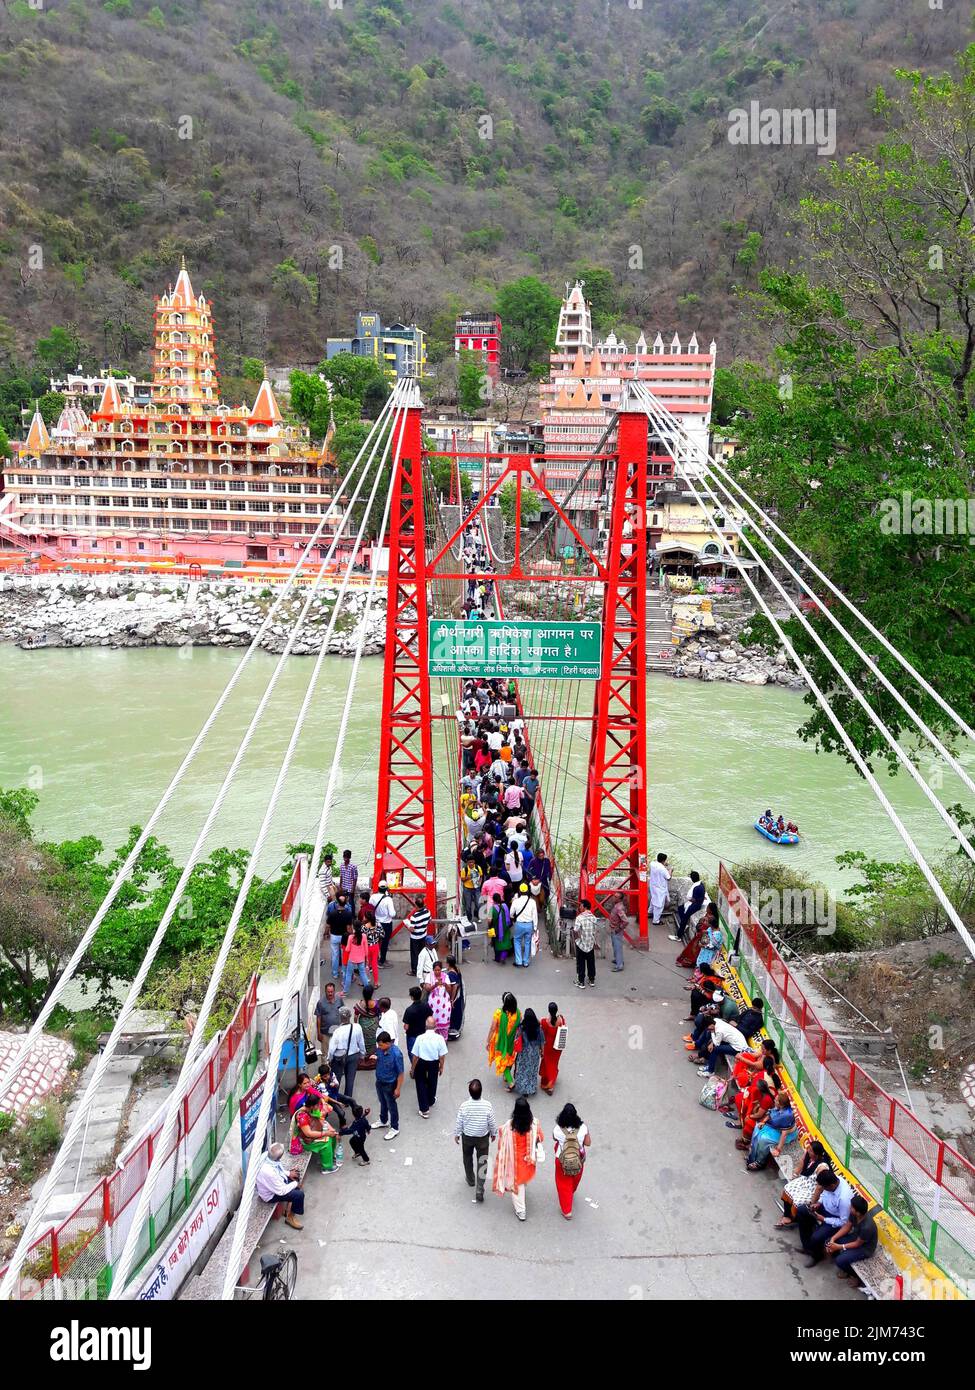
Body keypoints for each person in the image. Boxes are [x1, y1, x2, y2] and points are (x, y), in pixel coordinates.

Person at [492, 1096, 543, 1222]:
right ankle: (521, 1202)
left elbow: (501, 1134)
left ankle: (521, 1211)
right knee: (522, 1181)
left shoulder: (510, 1126)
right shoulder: (534, 1123)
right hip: (529, 1160)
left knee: (517, 1186)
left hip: (514, 1163)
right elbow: (540, 1137)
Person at [795, 1168, 854, 1264]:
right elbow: (824, 1193)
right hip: (825, 1208)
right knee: (802, 1210)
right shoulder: (832, 1181)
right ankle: (807, 1247)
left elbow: (843, 1222)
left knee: (816, 1237)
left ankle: (817, 1256)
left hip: (834, 1219)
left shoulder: (844, 1199)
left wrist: (824, 1219)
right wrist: (818, 1203)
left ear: (832, 1185)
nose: (822, 1188)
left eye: (824, 1187)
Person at [454, 1078, 497, 1203]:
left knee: (467, 1157)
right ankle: (479, 1188)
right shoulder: (487, 1105)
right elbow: (492, 1122)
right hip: (482, 1138)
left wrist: (457, 1134)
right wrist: (494, 1133)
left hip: (467, 1137)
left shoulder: (464, 1106)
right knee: (482, 1161)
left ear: (469, 1093)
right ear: (481, 1092)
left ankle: (470, 1179)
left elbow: (459, 1121)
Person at [777, 1142, 832, 1229]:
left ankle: (794, 1218)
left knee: (798, 1200)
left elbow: (820, 1187)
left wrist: (813, 1202)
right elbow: (802, 1161)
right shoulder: (809, 1153)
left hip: (812, 1188)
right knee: (788, 1188)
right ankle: (787, 1214)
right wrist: (794, 1175)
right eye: (808, 1149)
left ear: (816, 1154)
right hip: (805, 1180)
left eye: (810, 1150)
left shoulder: (822, 1167)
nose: (808, 1151)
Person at [826, 1193, 879, 1279]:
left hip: (864, 1248)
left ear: (858, 1213)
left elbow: (858, 1244)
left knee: (840, 1260)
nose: (849, 1208)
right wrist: (833, 1238)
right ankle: (840, 1259)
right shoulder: (854, 1214)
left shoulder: (867, 1227)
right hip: (855, 1237)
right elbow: (847, 1226)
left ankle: (856, 1277)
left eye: (851, 1207)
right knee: (828, 1242)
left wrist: (839, 1247)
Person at [552, 1101, 591, 1220]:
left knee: (563, 1184)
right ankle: (572, 1191)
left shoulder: (558, 1129)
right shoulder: (583, 1128)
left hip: (562, 1160)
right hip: (578, 1159)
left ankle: (567, 1211)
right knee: (575, 1177)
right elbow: (588, 1143)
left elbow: (554, 1138)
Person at [255, 1142, 305, 1230]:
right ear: (279, 1157)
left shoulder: (267, 1156)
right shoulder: (269, 1172)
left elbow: (278, 1168)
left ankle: (288, 1207)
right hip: (270, 1195)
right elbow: (281, 1191)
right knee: (299, 1195)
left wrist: (289, 1174)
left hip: (276, 1182)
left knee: (296, 1176)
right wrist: (295, 1184)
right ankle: (290, 1218)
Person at [746, 1087, 796, 1171]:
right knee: (757, 1128)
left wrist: (778, 1150)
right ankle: (752, 1157)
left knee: (763, 1139)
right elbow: (770, 1113)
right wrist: (763, 1122)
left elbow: (784, 1133)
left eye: (776, 1100)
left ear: (781, 1104)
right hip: (774, 1127)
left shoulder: (786, 1115)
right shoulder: (779, 1107)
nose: (774, 1101)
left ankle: (760, 1162)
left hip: (784, 1134)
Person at [411, 1016, 448, 1117]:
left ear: (425, 1026)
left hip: (422, 1063)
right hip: (434, 1063)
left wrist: (413, 1068)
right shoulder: (439, 1038)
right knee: (433, 1081)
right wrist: (441, 1067)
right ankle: (431, 1100)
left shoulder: (420, 1038)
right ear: (435, 1026)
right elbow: (442, 1055)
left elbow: (415, 1056)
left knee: (421, 1084)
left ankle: (424, 1109)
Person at [291, 1098, 339, 1174]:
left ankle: (329, 1157)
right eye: (318, 1104)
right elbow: (308, 1134)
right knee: (326, 1141)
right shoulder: (302, 1116)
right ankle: (326, 1168)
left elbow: (321, 1120)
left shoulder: (311, 1110)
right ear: (313, 1106)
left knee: (333, 1136)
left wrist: (332, 1130)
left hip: (314, 1131)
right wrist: (326, 1133)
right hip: (305, 1140)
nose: (319, 1106)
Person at [372, 1030, 404, 1140]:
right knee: (382, 1102)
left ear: (388, 1043)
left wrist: (398, 1089)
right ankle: (383, 1120)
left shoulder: (396, 1054)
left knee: (391, 1105)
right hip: (380, 1081)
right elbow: (379, 1055)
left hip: (390, 1084)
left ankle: (395, 1127)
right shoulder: (380, 1050)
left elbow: (400, 1073)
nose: (379, 1047)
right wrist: (376, 1057)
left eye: (381, 1045)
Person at [327, 1006, 366, 1097]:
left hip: (340, 1057)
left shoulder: (337, 1031)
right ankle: (347, 1099)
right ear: (350, 1016)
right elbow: (361, 1043)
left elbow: (332, 1048)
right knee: (350, 1079)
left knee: (336, 1079)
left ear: (339, 1017)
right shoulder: (357, 1027)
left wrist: (329, 1059)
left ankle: (334, 1098)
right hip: (354, 1056)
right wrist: (362, 1055)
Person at [486, 992, 521, 1088]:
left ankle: (510, 1082)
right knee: (509, 1058)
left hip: (500, 1043)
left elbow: (493, 1028)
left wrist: (488, 1041)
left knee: (502, 1062)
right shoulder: (518, 1013)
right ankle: (506, 1076)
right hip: (512, 1042)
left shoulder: (498, 1013)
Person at [513, 1007, 544, 1096]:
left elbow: (517, 1038)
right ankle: (531, 1088)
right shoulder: (538, 1028)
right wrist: (542, 1052)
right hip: (534, 1053)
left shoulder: (522, 1028)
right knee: (532, 1071)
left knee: (523, 1070)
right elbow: (542, 1042)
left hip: (524, 1053)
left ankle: (524, 1089)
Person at [325, 892, 353, 981]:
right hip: (344, 937)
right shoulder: (348, 913)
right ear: (345, 902)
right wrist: (352, 936)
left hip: (334, 936)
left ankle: (335, 973)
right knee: (345, 955)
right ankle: (344, 973)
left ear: (337, 901)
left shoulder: (332, 913)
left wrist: (326, 933)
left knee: (335, 955)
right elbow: (349, 928)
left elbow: (328, 926)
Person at [539, 1001, 566, 1095]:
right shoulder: (561, 1019)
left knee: (546, 1063)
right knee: (554, 1063)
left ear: (549, 1011)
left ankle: (548, 1083)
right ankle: (550, 1082)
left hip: (548, 1046)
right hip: (558, 1046)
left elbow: (541, 1034)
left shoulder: (544, 1021)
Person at [672, 871, 707, 941]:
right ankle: (683, 924)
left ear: (692, 879)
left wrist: (690, 900)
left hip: (694, 905)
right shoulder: (701, 884)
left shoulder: (696, 887)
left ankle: (678, 936)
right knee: (680, 908)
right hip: (696, 904)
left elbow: (695, 899)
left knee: (684, 919)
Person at [370, 880, 397, 969]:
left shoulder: (373, 897)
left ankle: (375, 959)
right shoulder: (388, 899)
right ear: (386, 888)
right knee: (384, 943)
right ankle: (382, 961)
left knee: (375, 941)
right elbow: (392, 914)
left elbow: (370, 908)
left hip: (376, 922)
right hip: (386, 924)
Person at [573, 898, 598, 989]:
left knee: (581, 963)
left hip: (581, 944)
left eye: (581, 905)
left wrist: (576, 940)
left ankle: (581, 981)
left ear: (585, 907)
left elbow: (576, 930)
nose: (579, 907)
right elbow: (595, 931)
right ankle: (591, 980)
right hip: (590, 943)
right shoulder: (594, 918)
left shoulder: (579, 918)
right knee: (591, 962)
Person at [510, 882, 537, 967]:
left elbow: (511, 913)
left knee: (517, 941)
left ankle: (518, 961)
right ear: (528, 891)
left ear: (519, 891)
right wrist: (535, 927)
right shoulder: (532, 902)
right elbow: (535, 915)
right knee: (527, 942)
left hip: (519, 924)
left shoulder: (516, 901)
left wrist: (513, 918)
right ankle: (526, 962)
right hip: (529, 925)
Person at [402, 984, 433, 1059]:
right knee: (424, 1052)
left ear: (412, 997)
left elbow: (406, 1027)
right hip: (424, 1033)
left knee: (412, 1053)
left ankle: (414, 1068)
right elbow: (430, 1018)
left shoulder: (409, 1010)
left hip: (412, 1035)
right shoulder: (426, 1006)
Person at [354, 984, 382, 1063]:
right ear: (372, 993)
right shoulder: (376, 1003)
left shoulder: (360, 1004)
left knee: (364, 1040)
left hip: (363, 1025)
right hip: (374, 1025)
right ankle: (372, 1056)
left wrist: (356, 1025)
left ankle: (364, 1055)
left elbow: (356, 1016)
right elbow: (379, 1014)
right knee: (373, 1040)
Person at [340, 1102, 373, 1166]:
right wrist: (368, 1129)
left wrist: (340, 1133)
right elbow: (367, 1125)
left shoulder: (356, 1124)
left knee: (361, 1149)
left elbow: (349, 1131)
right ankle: (357, 1152)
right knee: (351, 1141)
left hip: (360, 1138)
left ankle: (366, 1160)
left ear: (353, 1114)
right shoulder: (363, 1118)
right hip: (359, 1136)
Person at [428, 961, 453, 1041]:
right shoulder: (429, 976)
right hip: (433, 1005)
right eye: (435, 970)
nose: (437, 972)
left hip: (444, 1005)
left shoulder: (446, 976)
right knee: (433, 1023)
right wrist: (435, 985)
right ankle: (434, 1042)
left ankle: (443, 1042)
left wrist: (445, 984)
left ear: (441, 970)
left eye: (439, 970)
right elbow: (427, 988)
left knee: (444, 1025)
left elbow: (450, 990)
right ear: (433, 970)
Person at [342, 923, 371, 992]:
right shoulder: (364, 936)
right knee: (363, 974)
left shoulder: (350, 937)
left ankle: (345, 991)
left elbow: (347, 949)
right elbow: (366, 949)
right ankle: (368, 990)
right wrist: (366, 958)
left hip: (352, 959)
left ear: (353, 928)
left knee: (348, 975)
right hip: (361, 959)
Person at [407, 899, 433, 976]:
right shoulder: (428, 912)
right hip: (423, 935)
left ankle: (414, 970)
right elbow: (429, 921)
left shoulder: (414, 917)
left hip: (415, 937)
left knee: (414, 954)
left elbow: (412, 929)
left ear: (416, 906)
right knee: (422, 953)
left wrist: (408, 925)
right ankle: (423, 967)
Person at [460, 853, 483, 928]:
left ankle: (477, 915)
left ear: (474, 862)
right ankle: (469, 918)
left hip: (476, 888)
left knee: (478, 903)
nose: (471, 864)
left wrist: (479, 882)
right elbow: (462, 879)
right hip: (467, 889)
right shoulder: (465, 870)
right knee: (468, 905)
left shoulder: (478, 867)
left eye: (472, 862)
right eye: (469, 862)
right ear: (467, 863)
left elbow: (481, 876)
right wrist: (469, 877)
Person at [488, 893, 513, 963]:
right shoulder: (505, 906)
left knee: (496, 942)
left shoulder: (492, 909)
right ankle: (503, 956)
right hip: (506, 927)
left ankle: (497, 958)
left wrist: (489, 926)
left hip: (497, 928)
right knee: (506, 942)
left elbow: (489, 920)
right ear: (500, 898)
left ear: (493, 900)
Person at [446, 954, 465, 1039]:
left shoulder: (451, 974)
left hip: (455, 997)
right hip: (459, 995)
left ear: (448, 963)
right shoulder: (457, 969)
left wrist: (452, 999)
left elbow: (455, 986)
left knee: (454, 1014)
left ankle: (453, 1032)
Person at [649, 851, 671, 926]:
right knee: (659, 905)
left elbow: (658, 865)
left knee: (653, 899)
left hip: (653, 885)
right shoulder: (663, 869)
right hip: (660, 888)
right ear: (663, 860)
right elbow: (668, 878)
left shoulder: (652, 864)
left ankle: (649, 912)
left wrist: (663, 865)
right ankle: (656, 920)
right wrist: (670, 870)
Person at [607, 895, 628, 972]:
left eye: (615, 897)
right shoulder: (617, 906)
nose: (613, 898)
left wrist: (619, 928)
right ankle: (617, 960)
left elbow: (626, 921)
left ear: (619, 899)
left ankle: (619, 965)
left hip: (616, 930)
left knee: (617, 947)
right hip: (614, 929)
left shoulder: (619, 908)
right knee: (615, 946)